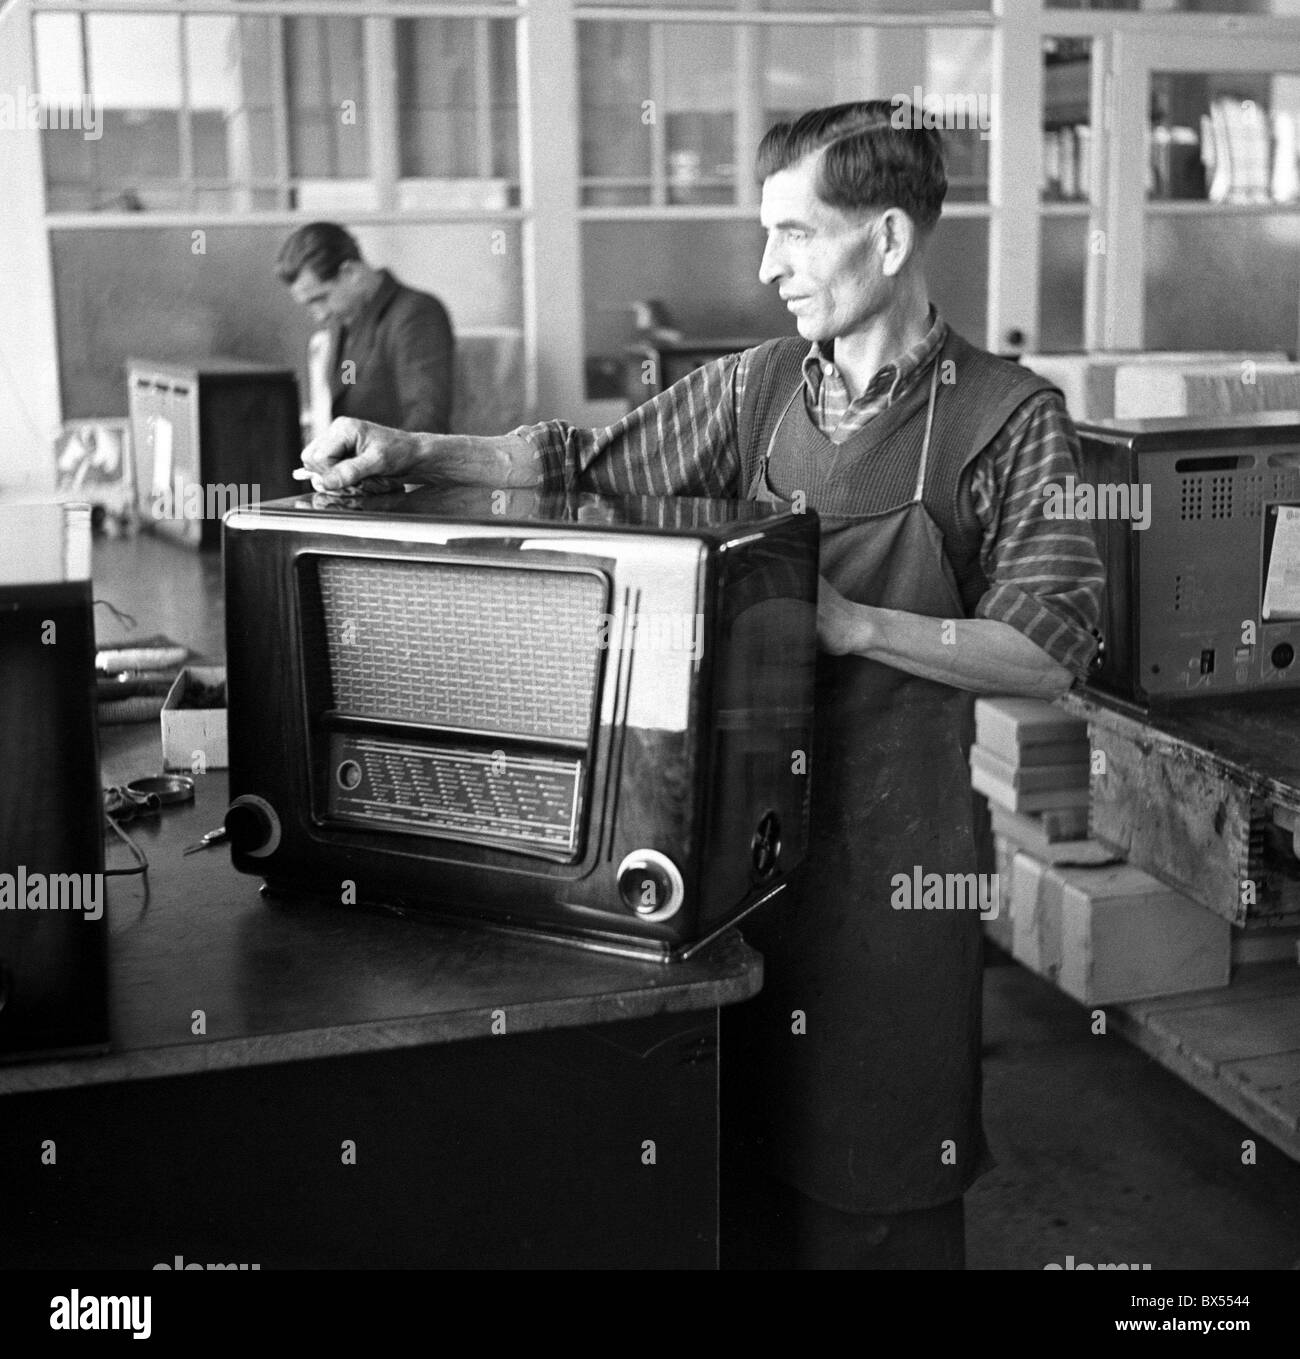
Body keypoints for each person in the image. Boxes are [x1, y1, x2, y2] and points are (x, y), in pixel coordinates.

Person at [298, 102, 1106, 1269]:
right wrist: (421, 453)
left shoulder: (1009, 419)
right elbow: (583, 467)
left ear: (885, 241)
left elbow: (1046, 643)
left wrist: (856, 622)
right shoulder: (759, 390)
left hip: (891, 877)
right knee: (726, 1169)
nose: (766, 267)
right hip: (730, 860)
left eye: (795, 234)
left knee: (875, 1177)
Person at [276, 222, 455, 436]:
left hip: (397, 467)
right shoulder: (347, 322)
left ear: (350, 272)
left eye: (321, 298)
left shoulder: (416, 314)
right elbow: (349, 384)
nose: (320, 315)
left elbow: (427, 419)